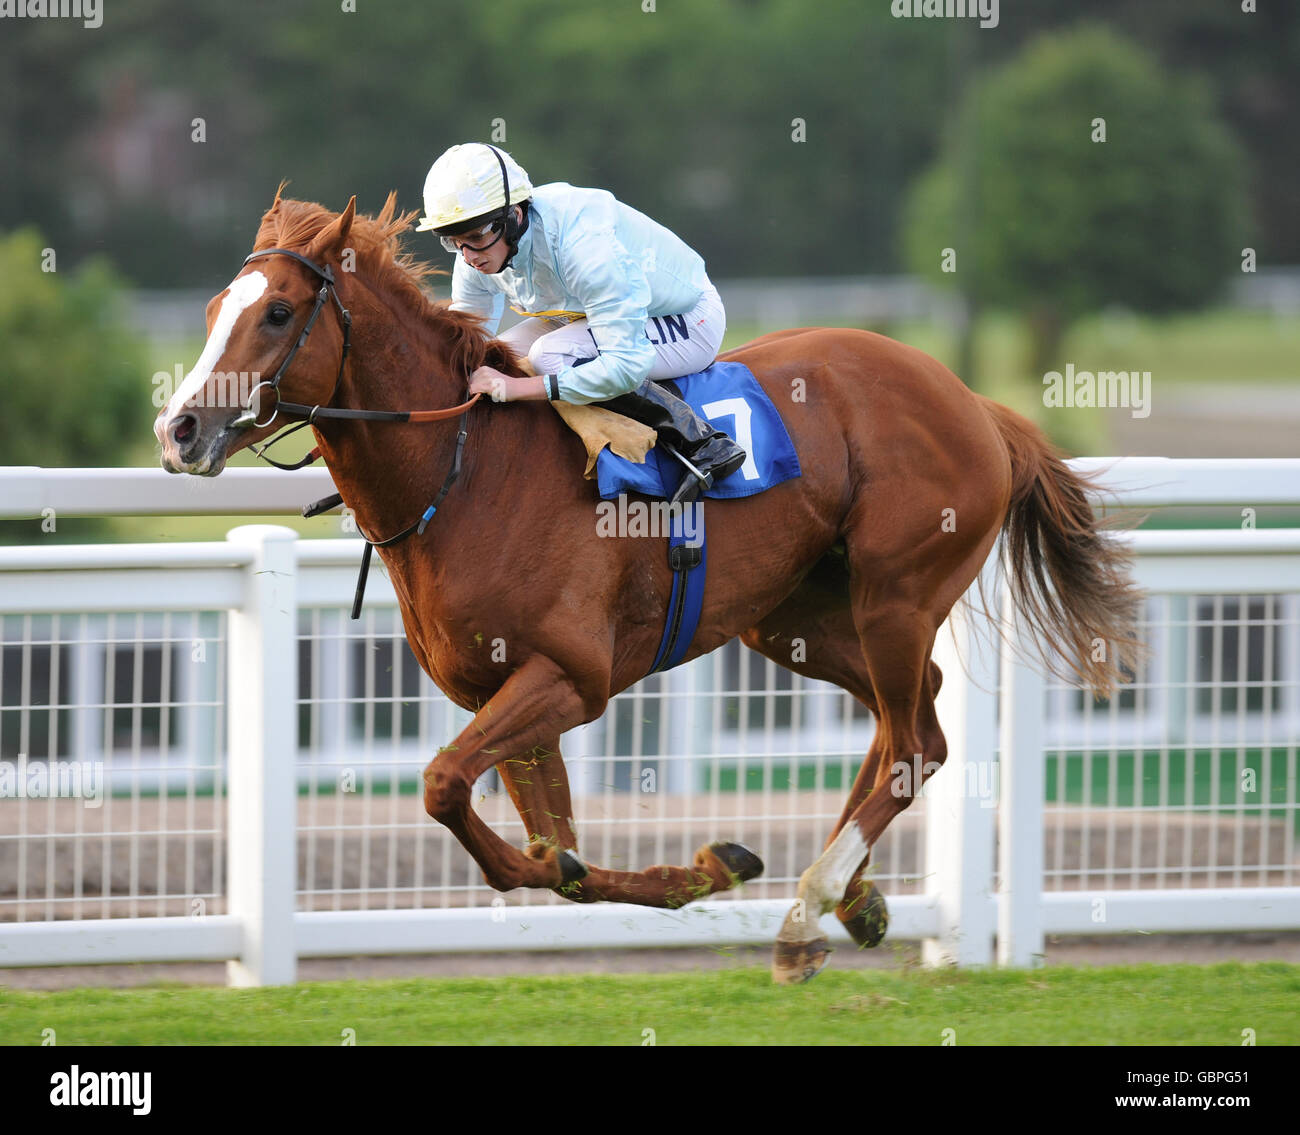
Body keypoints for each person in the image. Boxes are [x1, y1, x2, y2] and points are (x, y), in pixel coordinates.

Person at [417, 143, 746, 505]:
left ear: (514, 217)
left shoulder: (582, 246)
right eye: (454, 242)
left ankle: (699, 441)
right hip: (587, 315)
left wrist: (515, 389)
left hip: (687, 319)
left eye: (476, 238)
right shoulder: (477, 251)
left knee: (549, 355)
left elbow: (625, 364)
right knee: (499, 356)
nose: (468, 257)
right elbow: (469, 342)